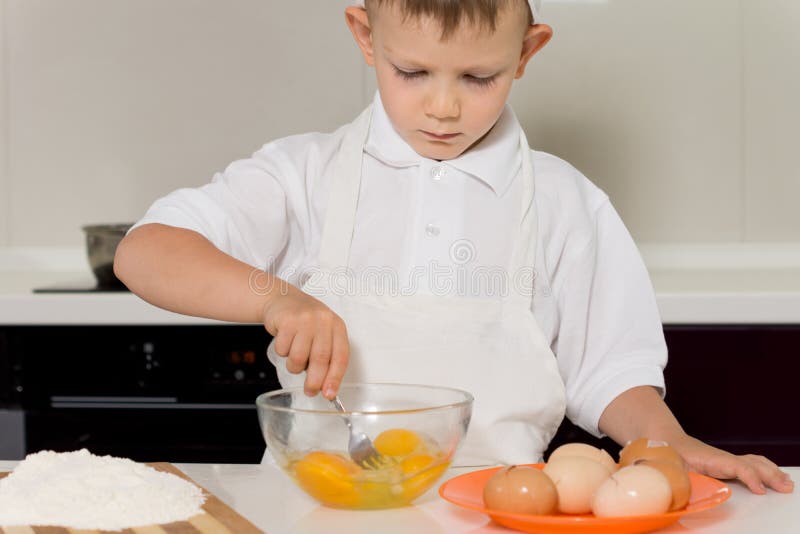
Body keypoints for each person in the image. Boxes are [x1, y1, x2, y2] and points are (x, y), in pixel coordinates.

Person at [114, 0, 793, 494]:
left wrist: (667, 441)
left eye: (477, 78)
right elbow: (145, 251)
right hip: (318, 512)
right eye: (414, 72)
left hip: (502, 508)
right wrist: (279, 298)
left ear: (527, 52)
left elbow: (608, 367)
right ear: (365, 36)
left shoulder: (565, 201)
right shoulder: (303, 175)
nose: (443, 107)